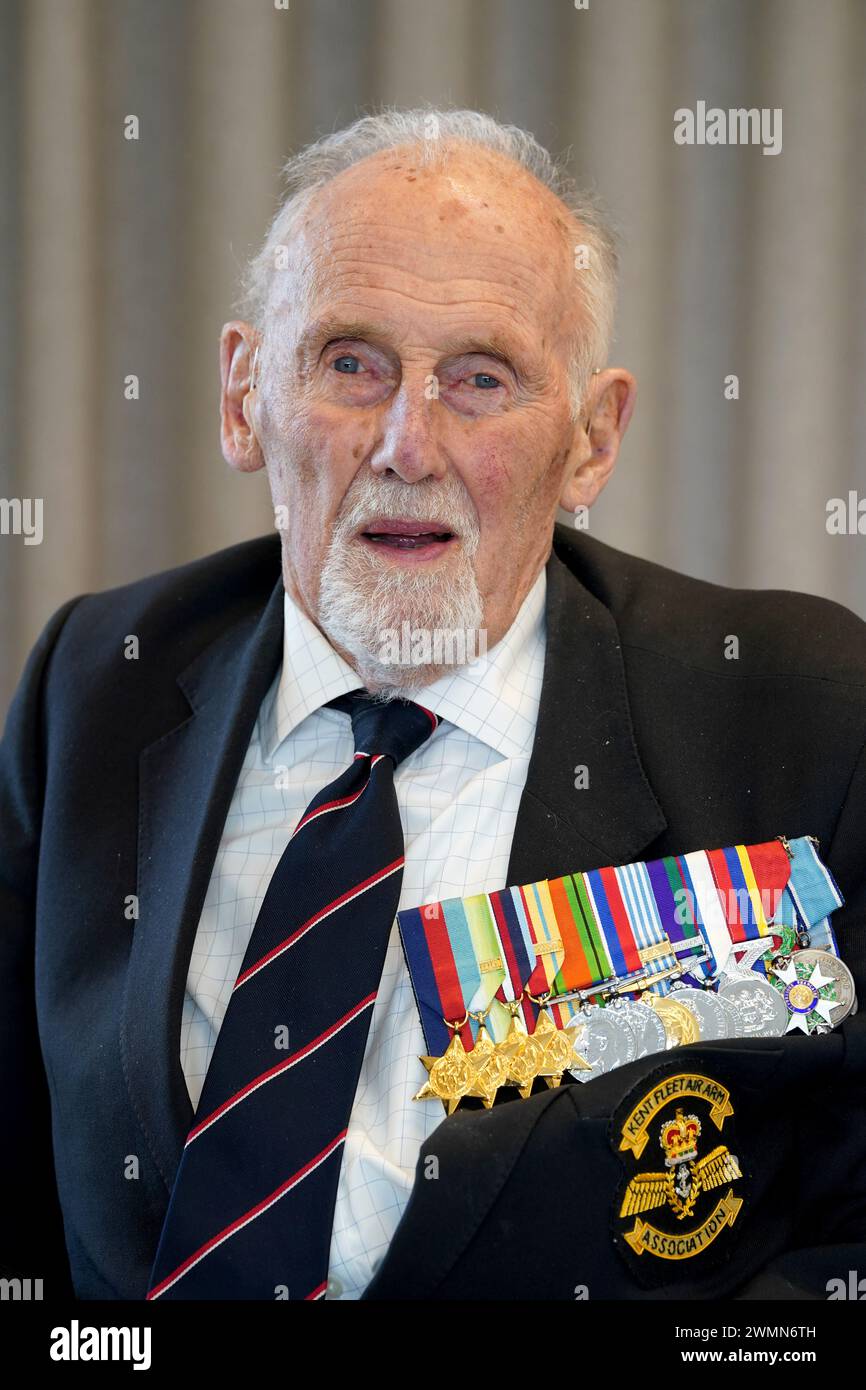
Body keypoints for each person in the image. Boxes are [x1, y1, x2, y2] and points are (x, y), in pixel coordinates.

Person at [2, 108, 866, 1303]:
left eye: (480, 378)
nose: (408, 443)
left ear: (591, 439)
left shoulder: (795, 714)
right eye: (351, 363)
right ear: (245, 395)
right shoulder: (97, 680)